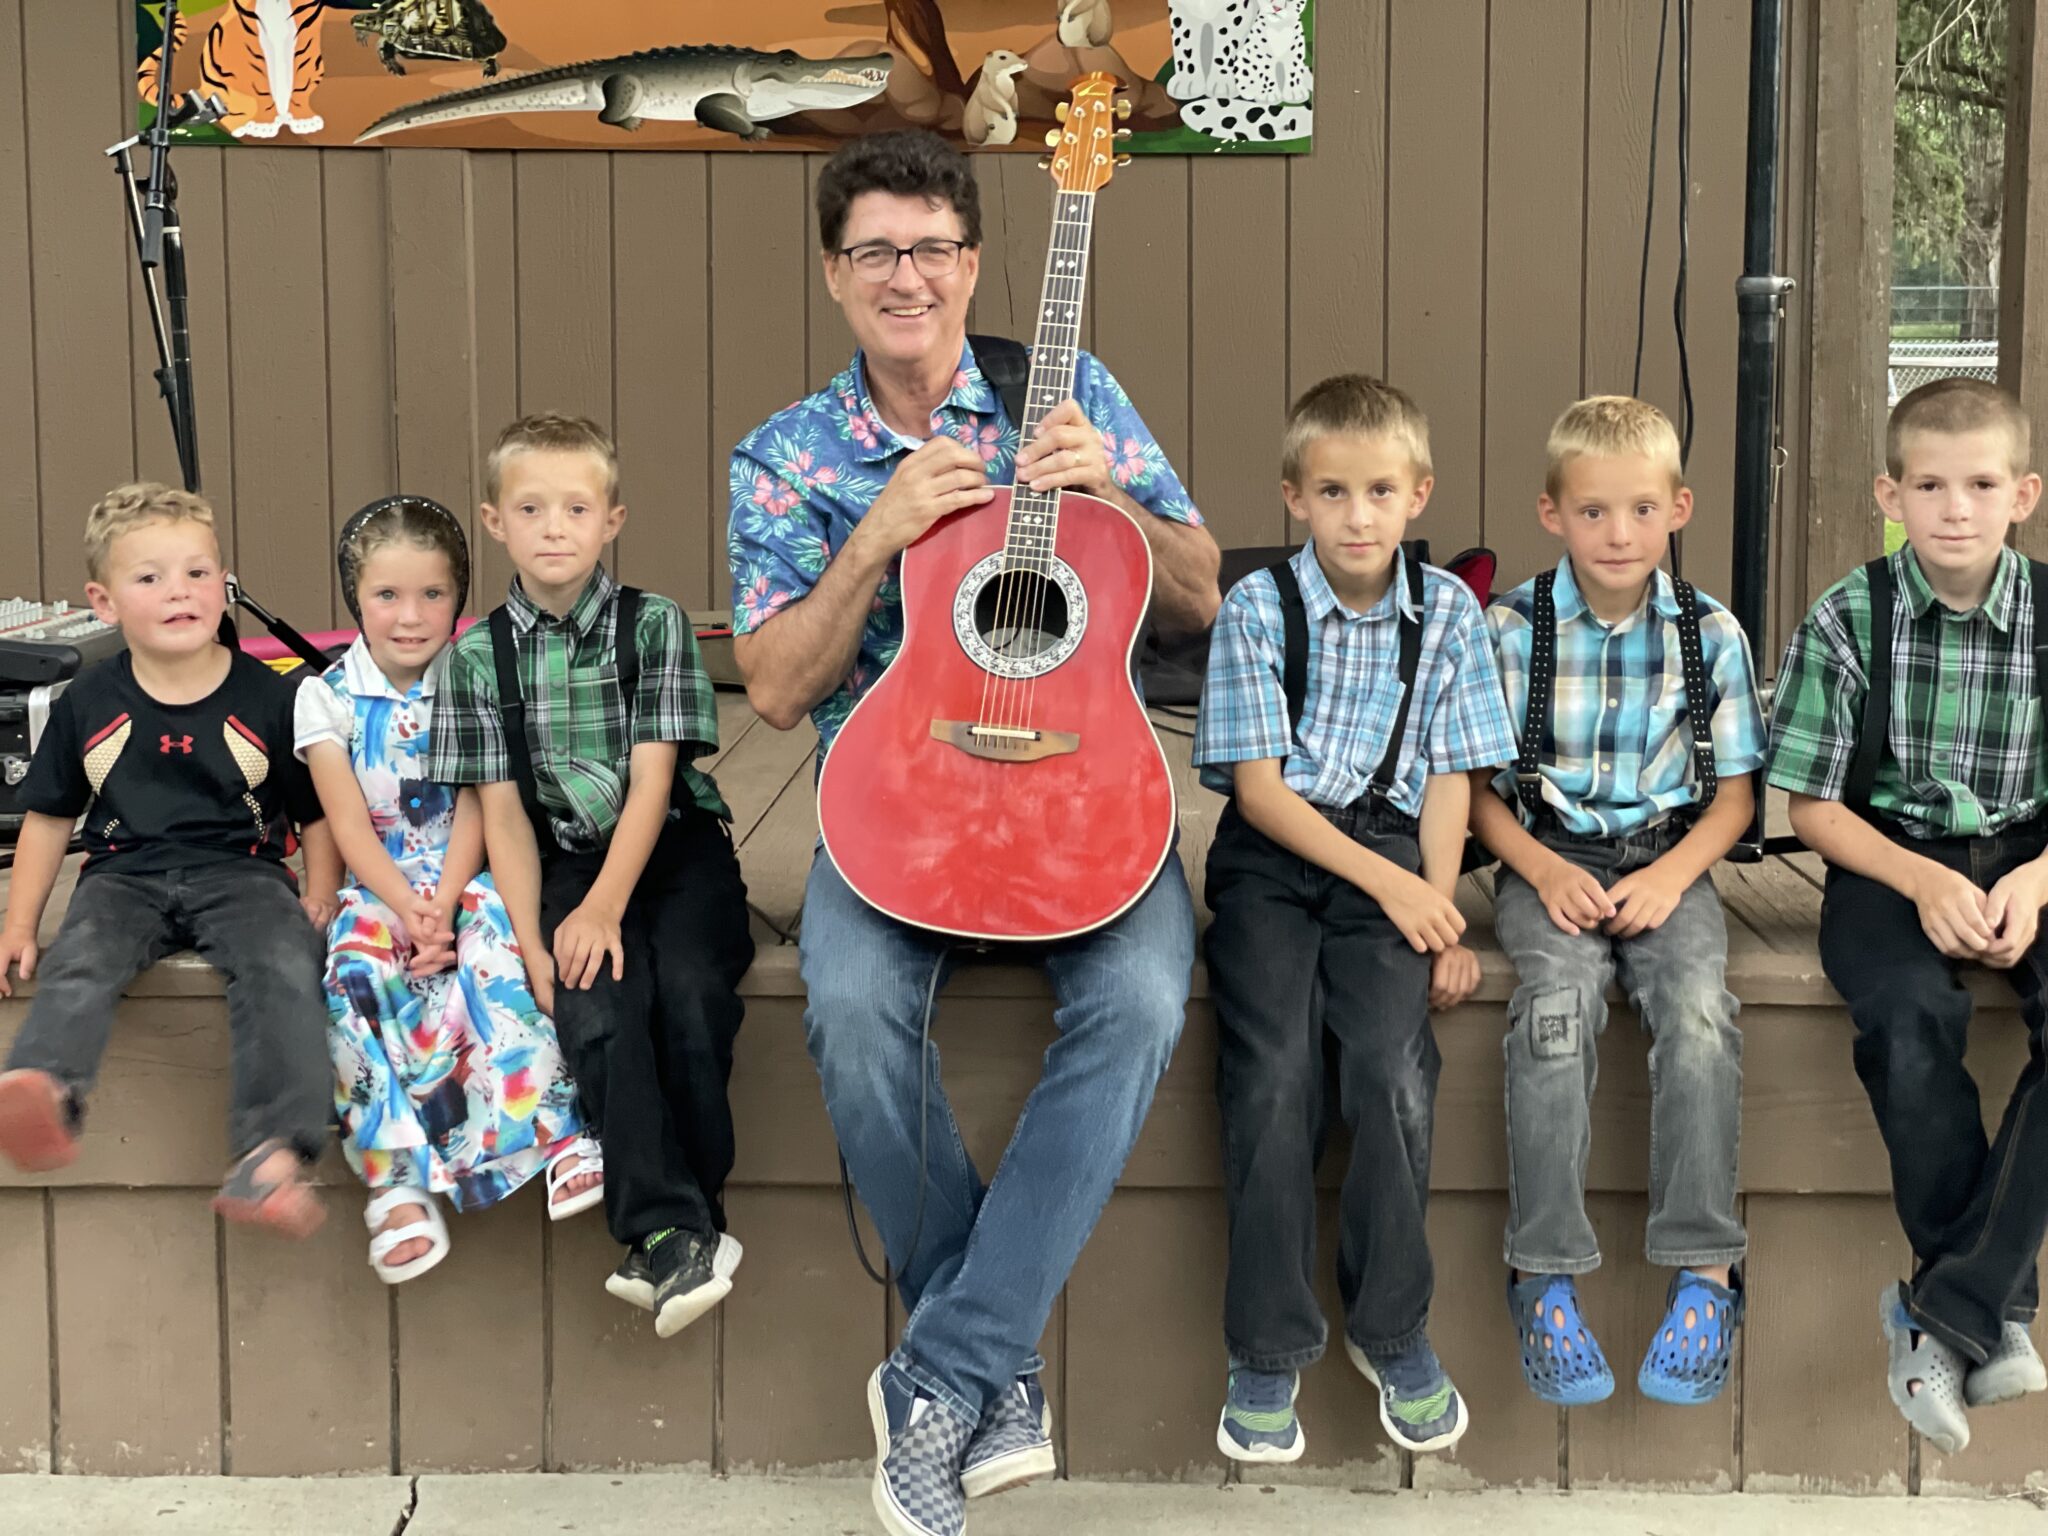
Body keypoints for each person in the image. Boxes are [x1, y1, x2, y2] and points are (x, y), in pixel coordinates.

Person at [728, 128, 1220, 1536]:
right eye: (877, 250)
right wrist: (874, 537)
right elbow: (769, 687)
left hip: (1084, 790)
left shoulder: (1067, 393)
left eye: (932, 249)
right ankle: (987, 1365)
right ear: (835, 274)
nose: (908, 276)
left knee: (1137, 999)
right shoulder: (791, 456)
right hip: (892, 805)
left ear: (975, 262)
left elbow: (1196, 593)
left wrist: (1113, 491)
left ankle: (942, 1374)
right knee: (851, 1004)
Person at [1194, 374, 1516, 1464]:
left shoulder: (1452, 618)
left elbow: (1446, 776)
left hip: (1390, 858)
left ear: (1417, 494)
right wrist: (1394, 889)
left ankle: (1392, 1325)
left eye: (1380, 490)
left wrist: (1434, 908)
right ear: (1293, 497)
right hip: (1275, 866)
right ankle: (1267, 1347)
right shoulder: (1254, 610)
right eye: (1331, 491)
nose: (1357, 514)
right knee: (1273, 1073)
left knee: (1386, 1070)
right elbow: (1259, 793)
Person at [429, 414, 754, 1338]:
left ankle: (697, 1215)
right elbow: (501, 815)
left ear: (613, 520)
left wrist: (610, 906)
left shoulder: (651, 626)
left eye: (576, 507)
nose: (554, 526)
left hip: (673, 849)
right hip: (565, 854)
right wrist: (535, 940)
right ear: (495, 522)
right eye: (531, 508)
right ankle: (667, 1232)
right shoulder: (477, 657)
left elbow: (654, 781)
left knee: (690, 996)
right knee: (597, 1010)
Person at [1772, 377, 2048, 1454]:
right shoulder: (1851, 614)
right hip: (1886, 862)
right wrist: (1922, 881)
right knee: (1905, 1017)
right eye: (1926, 485)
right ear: (1888, 493)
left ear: (2020, 493)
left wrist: (2032, 880)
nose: (1953, 508)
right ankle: (1995, 1307)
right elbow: (1807, 805)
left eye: (1979, 484)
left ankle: (1944, 1309)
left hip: (2030, 855)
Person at [1471, 396, 1765, 1409]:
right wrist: (1543, 870)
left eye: (1640, 510)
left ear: (1676, 509)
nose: (1617, 534)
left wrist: (1671, 875)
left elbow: (1732, 799)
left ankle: (1704, 1271)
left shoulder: (1707, 633)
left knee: (1694, 1016)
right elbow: (1473, 791)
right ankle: (1540, 1270)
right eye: (1591, 512)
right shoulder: (1510, 628)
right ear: (1549, 512)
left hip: (1665, 862)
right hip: (1545, 857)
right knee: (1552, 1016)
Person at [0, 483, 337, 1237]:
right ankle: (45, 1086)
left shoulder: (272, 696)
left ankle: (272, 1153)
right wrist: (19, 923)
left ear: (224, 584)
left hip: (244, 874)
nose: (178, 592)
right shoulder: (89, 699)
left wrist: (323, 890)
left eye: (196, 573)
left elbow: (314, 812)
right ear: (105, 600)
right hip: (122, 876)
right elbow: (51, 818)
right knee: (81, 957)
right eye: (148, 578)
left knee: (283, 965)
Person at [297, 495, 598, 1286]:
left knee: (499, 950)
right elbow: (349, 824)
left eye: (432, 594)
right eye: (386, 596)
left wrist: (449, 899)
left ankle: (557, 1134)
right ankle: (396, 1185)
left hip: (467, 866)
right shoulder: (323, 697)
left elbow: (480, 800)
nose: (409, 616)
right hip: (380, 878)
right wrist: (405, 906)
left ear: (458, 598)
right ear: (354, 599)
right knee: (355, 972)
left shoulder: (474, 678)